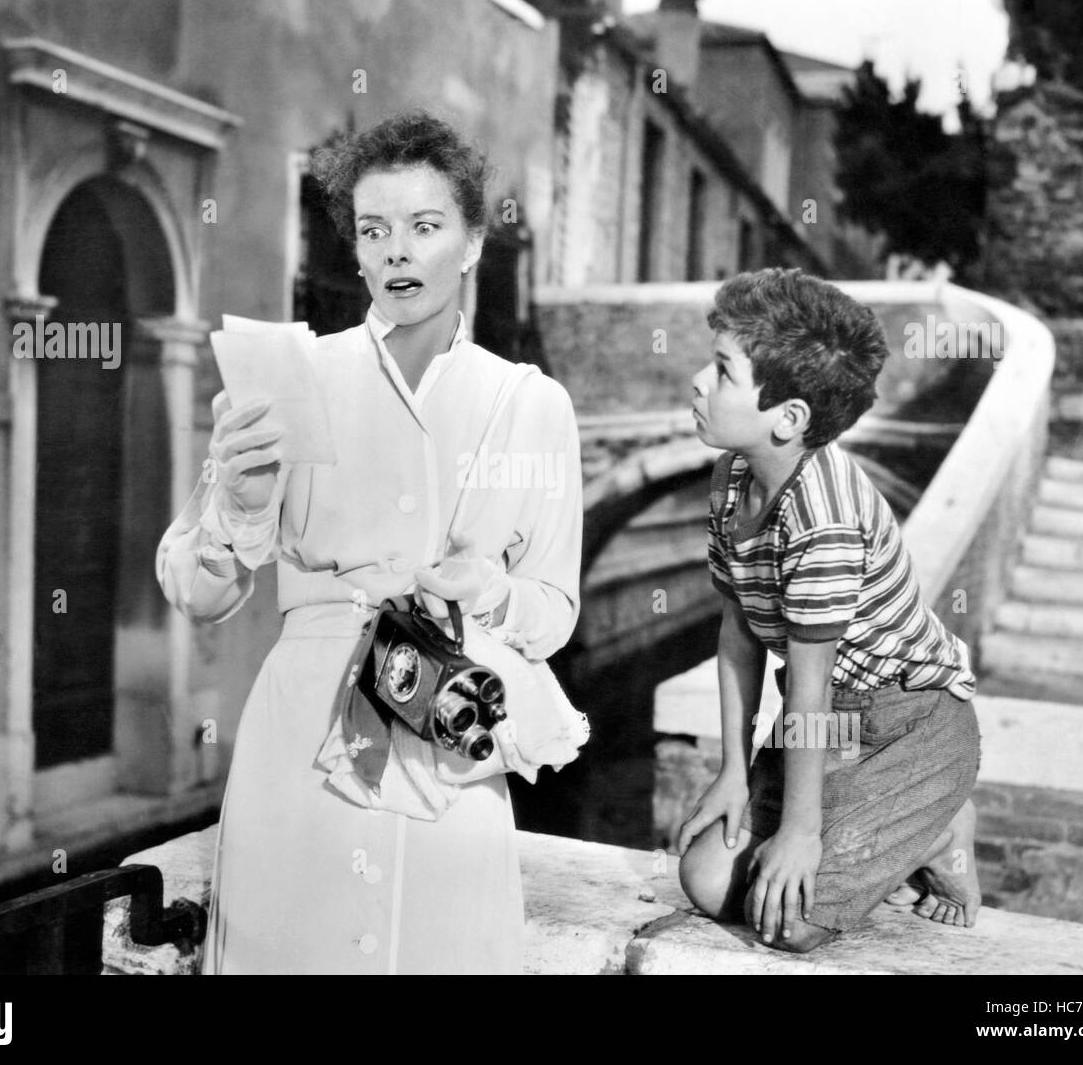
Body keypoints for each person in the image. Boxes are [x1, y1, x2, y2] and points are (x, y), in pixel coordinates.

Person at [156, 111, 582, 974]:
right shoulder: (293, 379)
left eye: (425, 228)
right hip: (301, 742)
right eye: (375, 230)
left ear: (469, 245)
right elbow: (196, 594)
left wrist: (489, 591)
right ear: (354, 250)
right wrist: (236, 506)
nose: (397, 253)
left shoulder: (529, 404)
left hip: (449, 735)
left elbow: (554, 612)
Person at [676, 268, 981, 953]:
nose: (698, 381)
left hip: (911, 720)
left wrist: (800, 832)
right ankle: (881, 829)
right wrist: (731, 771)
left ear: (788, 419)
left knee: (789, 922)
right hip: (828, 721)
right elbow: (739, 631)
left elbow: (808, 684)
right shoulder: (733, 476)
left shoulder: (823, 522)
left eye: (722, 371)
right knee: (705, 878)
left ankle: (940, 827)